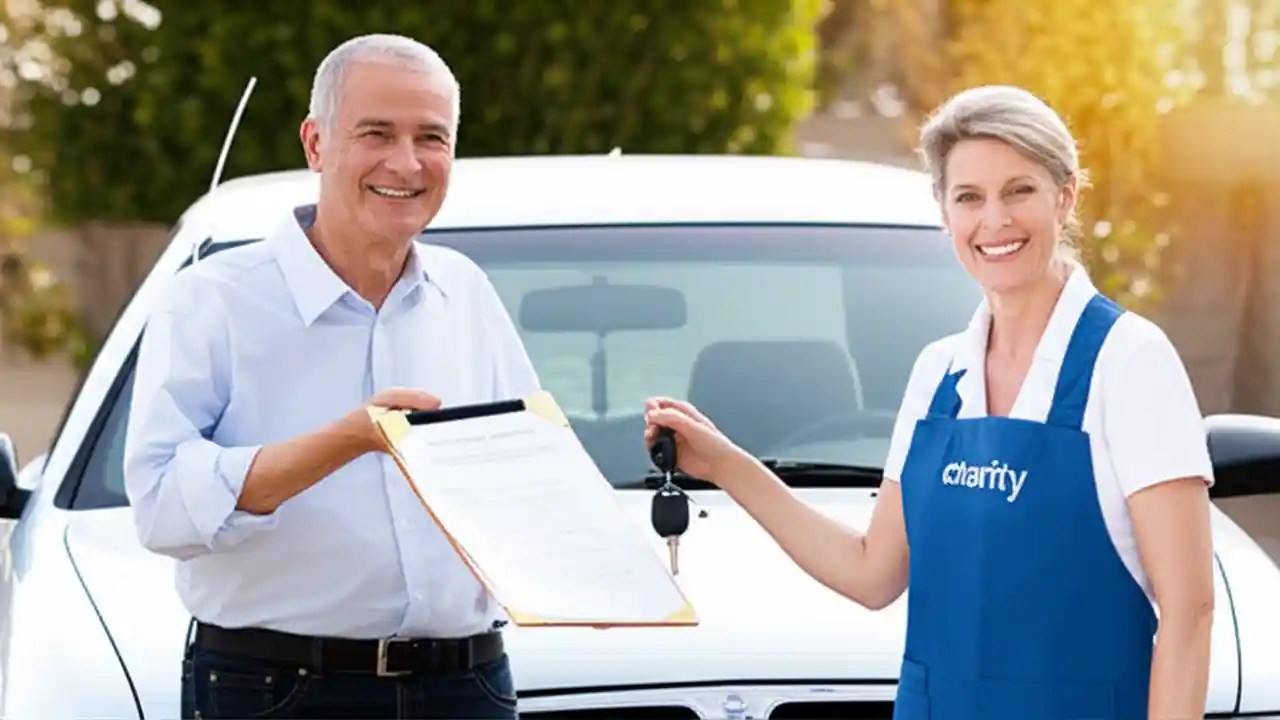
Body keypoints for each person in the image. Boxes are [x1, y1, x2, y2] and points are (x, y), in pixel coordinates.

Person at [643, 85, 1216, 720]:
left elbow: (1189, 610)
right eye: (969, 197)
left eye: (1019, 190)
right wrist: (727, 465)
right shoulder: (939, 374)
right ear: (944, 213)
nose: (994, 221)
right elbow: (871, 573)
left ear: (1066, 195)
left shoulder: (1129, 362)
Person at [124, 34, 540, 719]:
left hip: (467, 686)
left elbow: (527, 475)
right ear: (316, 144)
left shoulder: (465, 291)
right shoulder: (213, 298)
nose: (406, 163)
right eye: (376, 133)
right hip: (279, 692)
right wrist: (346, 440)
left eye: (431, 138)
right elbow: (164, 507)